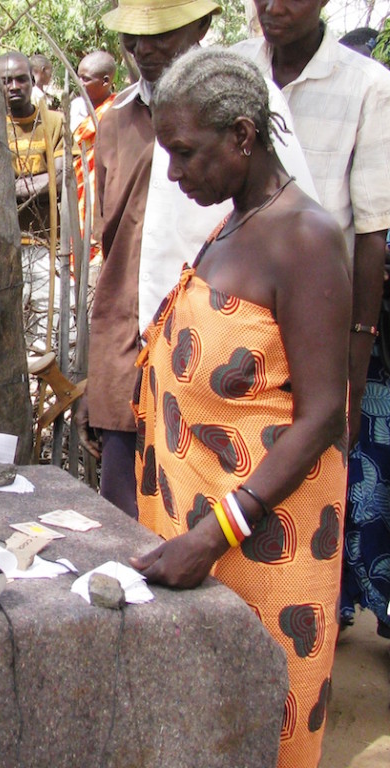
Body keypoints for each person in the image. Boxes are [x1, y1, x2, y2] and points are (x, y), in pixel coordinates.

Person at [130, 48, 350, 768]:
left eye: (186, 153)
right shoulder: (233, 225)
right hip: (205, 536)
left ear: (245, 137)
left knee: (258, 725)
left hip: (261, 544)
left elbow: (322, 414)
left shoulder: (305, 239)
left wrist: (219, 530)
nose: (174, 173)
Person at [76, 0, 315, 518]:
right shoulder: (114, 121)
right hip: (131, 362)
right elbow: (113, 258)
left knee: (207, 539)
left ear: (202, 24)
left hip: (223, 380)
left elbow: (283, 232)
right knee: (131, 533)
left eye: (159, 33)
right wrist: (101, 381)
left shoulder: (244, 103)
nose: (143, 50)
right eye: (132, 38)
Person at [231, 0, 390, 638]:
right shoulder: (231, 70)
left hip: (319, 332)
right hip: (237, 323)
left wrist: (354, 362)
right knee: (241, 474)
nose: (272, 6)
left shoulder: (367, 88)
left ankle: (301, 638)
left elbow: (372, 234)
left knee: (308, 482)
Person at [0, 51, 65, 353]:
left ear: (33, 80)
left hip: (43, 242)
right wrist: (38, 183)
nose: (14, 86)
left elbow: (61, 178)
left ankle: (46, 392)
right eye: (5, 81)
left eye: (21, 79)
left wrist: (10, 188)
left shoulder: (53, 122)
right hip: (1, 246)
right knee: (8, 328)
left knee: (50, 322)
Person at [70, 51, 116, 267]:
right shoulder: (90, 115)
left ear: (106, 81)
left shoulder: (116, 113)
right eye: (78, 77)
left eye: (86, 79)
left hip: (104, 194)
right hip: (83, 193)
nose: (79, 83)